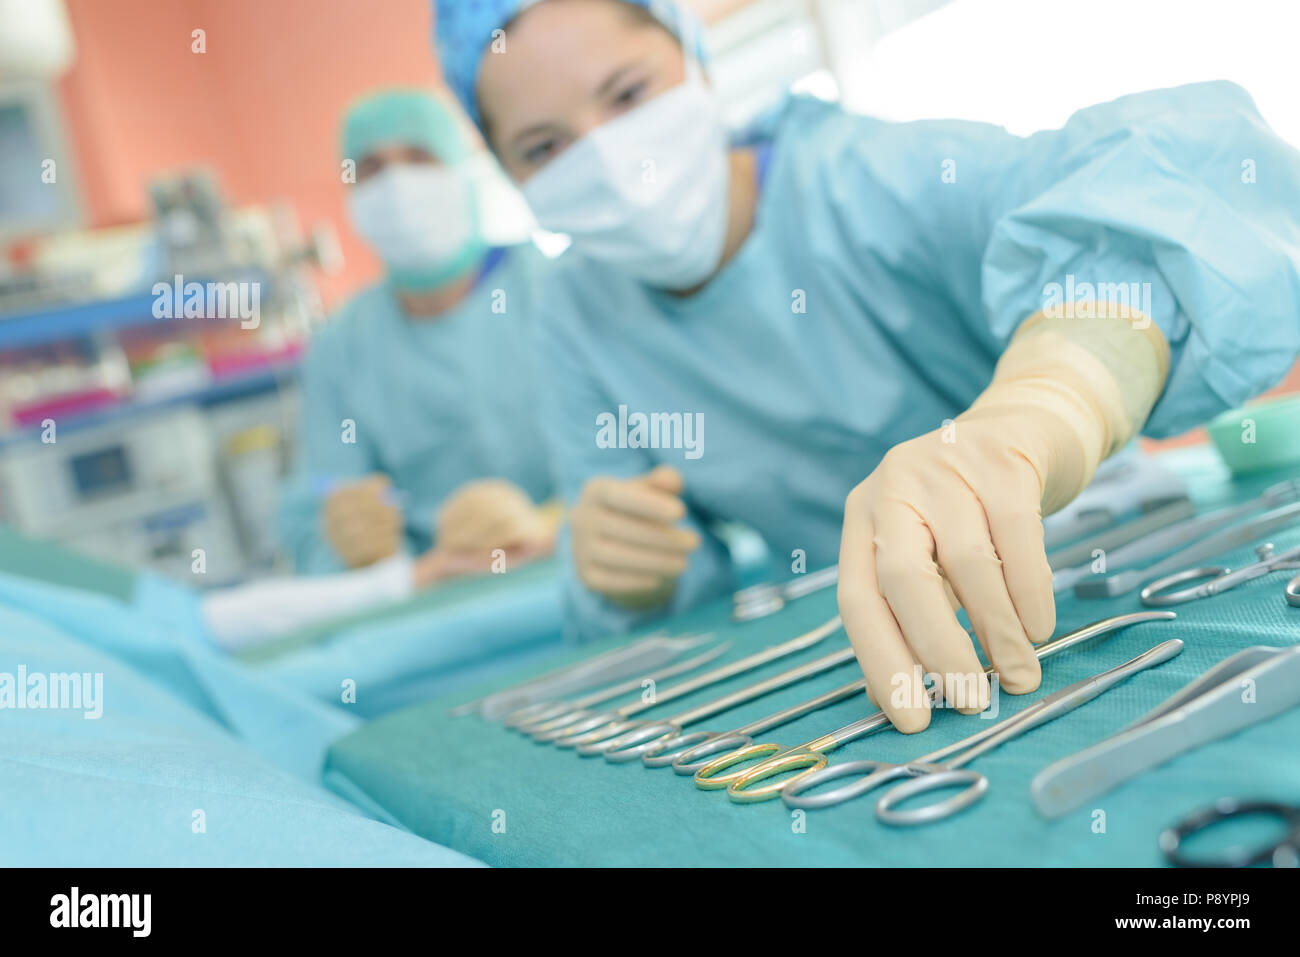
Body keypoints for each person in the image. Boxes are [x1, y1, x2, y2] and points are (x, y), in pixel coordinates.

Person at [434, 0, 1300, 730]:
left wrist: (1046, 402)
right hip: (848, 641)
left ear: (694, 59)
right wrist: (625, 571)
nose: (612, 159)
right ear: (504, 172)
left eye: (628, 93)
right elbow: (663, 586)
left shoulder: (873, 178)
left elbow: (1182, 179)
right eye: (545, 147)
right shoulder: (576, 313)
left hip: (1092, 565)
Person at [279, 88, 561, 586]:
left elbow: (650, 448)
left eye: (419, 158)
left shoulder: (557, 289)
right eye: (371, 169)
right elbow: (315, 510)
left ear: (465, 171)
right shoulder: (343, 348)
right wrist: (353, 548)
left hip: (587, 565)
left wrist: (559, 522)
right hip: (442, 603)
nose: (397, 185)